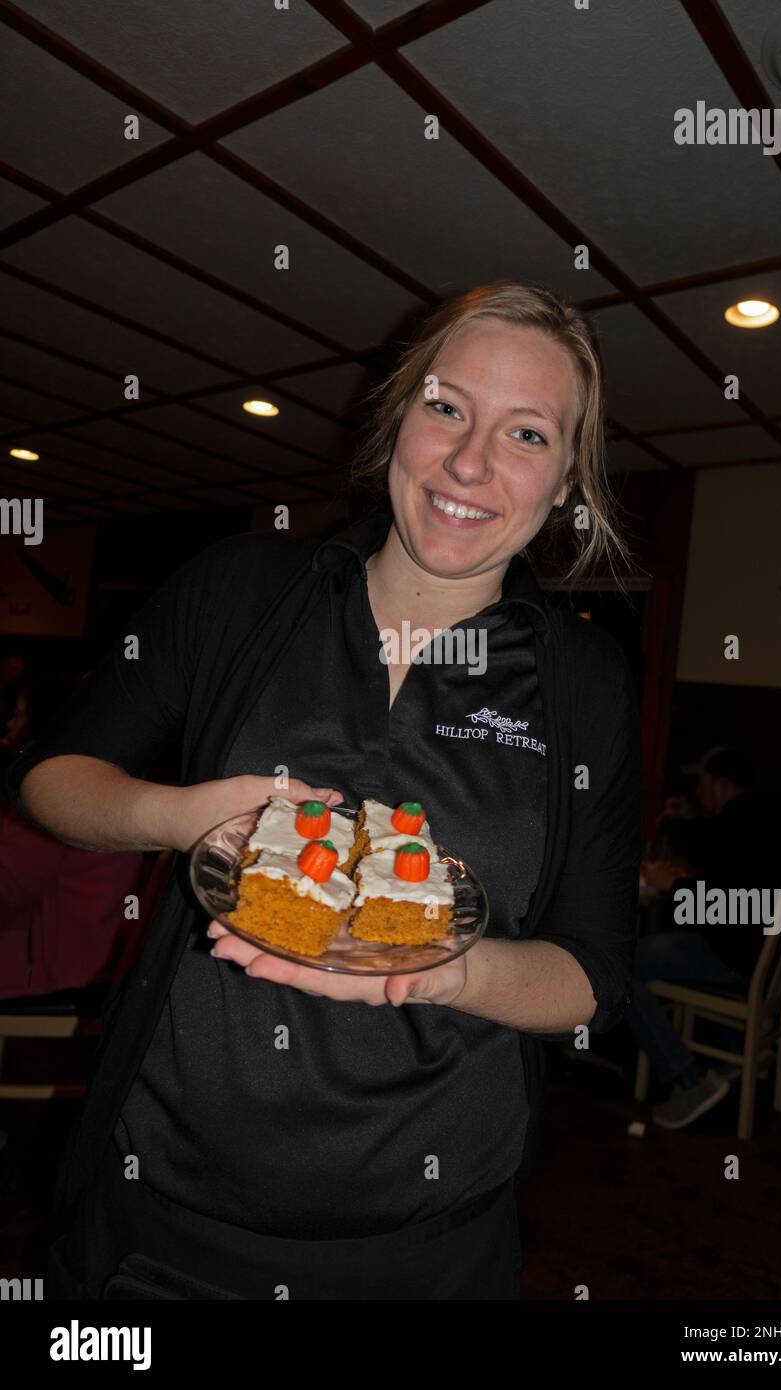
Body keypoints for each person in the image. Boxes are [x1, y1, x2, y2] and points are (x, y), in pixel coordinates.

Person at [6, 281, 641, 1301]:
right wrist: (187, 814)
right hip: (161, 1211)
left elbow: (594, 974)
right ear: (399, 415)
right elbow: (49, 778)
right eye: (445, 408)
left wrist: (446, 971)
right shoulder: (243, 589)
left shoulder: (582, 681)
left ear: (565, 478)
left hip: (426, 1242)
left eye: (524, 433)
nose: (468, 462)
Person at [629, 746, 781, 1129]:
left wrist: (669, 883)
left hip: (737, 957)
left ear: (721, 785)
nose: (695, 791)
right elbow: (732, 877)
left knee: (621, 965)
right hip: (765, 957)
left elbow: (721, 907)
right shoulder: (763, 815)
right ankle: (741, 1051)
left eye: (701, 783)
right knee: (669, 938)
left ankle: (687, 1080)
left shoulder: (739, 824)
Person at [0, 674, 148, 999]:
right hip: (92, 972)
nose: (9, 726)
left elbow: (8, 891)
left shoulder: (50, 799)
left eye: (19, 715)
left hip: (38, 985)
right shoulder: (107, 784)